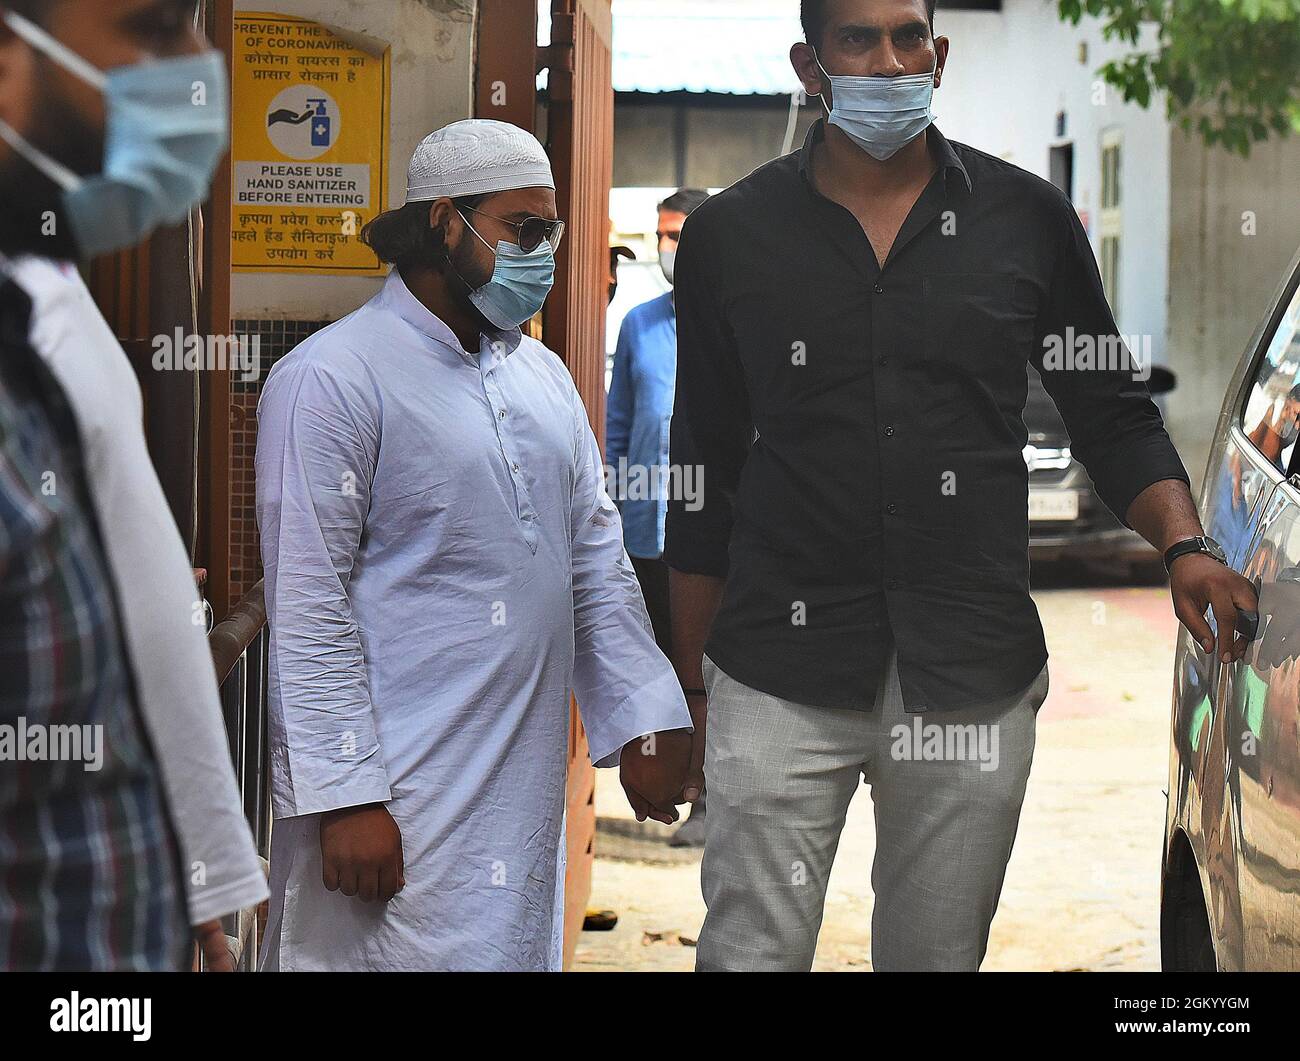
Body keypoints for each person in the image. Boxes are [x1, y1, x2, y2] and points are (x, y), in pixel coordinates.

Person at [658, 0, 1258, 972]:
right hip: (776, 664)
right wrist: (689, 689)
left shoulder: (1024, 221)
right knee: (747, 951)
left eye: (907, 38)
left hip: (969, 671)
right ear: (809, 64)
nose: (887, 61)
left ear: (939, 55)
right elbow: (702, 465)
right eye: (857, 39)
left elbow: (1108, 405)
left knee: (936, 957)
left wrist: (1182, 545)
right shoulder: (731, 235)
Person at [255, 119, 693, 972]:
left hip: (512, 795)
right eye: (523, 231)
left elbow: (595, 561)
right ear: (445, 223)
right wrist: (347, 796)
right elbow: (308, 605)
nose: (544, 254)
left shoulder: (544, 378)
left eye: (550, 233)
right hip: (394, 799)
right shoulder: (332, 378)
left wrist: (644, 718)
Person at [0, 0, 267, 969]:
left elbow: (143, 601)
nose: (202, 74)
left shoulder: (47, 291)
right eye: (156, 28)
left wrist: (199, 863)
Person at [606, 188, 710, 847]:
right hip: (646, 529)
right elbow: (619, 425)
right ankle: (666, 782)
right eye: (662, 235)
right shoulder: (639, 324)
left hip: (711, 536)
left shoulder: (737, 321)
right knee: (660, 665)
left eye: (677, 235)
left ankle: (712, 798)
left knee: (708, 667)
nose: (667, 248)